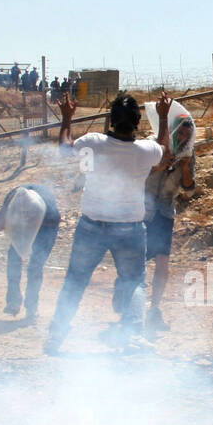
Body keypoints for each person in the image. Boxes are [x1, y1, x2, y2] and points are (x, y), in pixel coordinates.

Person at [44, 92, 173, 355]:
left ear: (111, 120)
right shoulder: (145, 150)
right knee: (134, 282)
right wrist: (161, 117)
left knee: (75, 280)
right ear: (137, 122)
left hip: (92, 225)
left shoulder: (93, 143)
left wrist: (67, 118)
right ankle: (132, 335)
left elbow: (64, 149)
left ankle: (57, 334)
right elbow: (164, 150)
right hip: (130, 227)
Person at [142, 109, 197, 334]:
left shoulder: (189, 155)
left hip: (164, 212)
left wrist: (184, 169)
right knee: (136, 262)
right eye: (180, 132)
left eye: (187, 133)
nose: (183, 137)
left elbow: (190, 190)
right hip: (141, 210)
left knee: (162, 264)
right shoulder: (150, 145)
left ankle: (154, 310)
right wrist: (161, 164)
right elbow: (136, 173)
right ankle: (131, 308)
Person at [0, 182, 61, 319]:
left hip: (45, 228)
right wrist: (7, 209)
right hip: (21, 228)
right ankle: (13, 302)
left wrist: (34, 233)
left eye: (27, 213)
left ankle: (31, 307)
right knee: (13, 261)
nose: (24, 214)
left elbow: (53, 227)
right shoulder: (12, 198)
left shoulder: (47, 211)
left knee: (35, 267)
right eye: (21, 211)